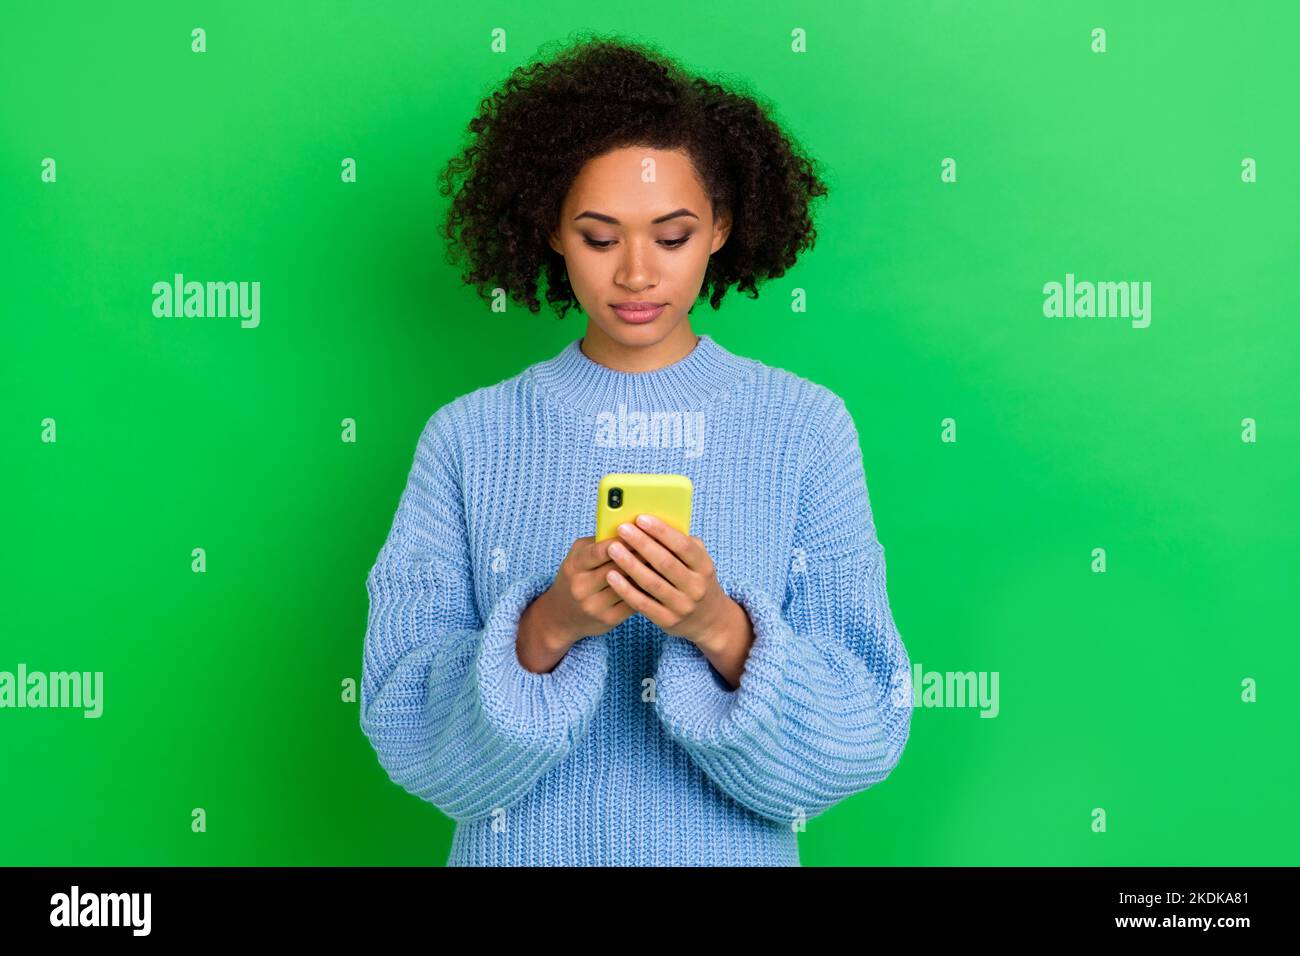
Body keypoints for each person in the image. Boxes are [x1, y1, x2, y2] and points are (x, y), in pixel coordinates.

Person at [359, 35, 912, 866]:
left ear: (723, 227)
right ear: (550, 230)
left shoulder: (805, 426)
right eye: (600, 236)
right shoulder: (468, 437)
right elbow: (405, 728)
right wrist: (548, 626)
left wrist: (719, 628)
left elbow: (864, 731)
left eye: (673, 234)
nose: (637, 274)